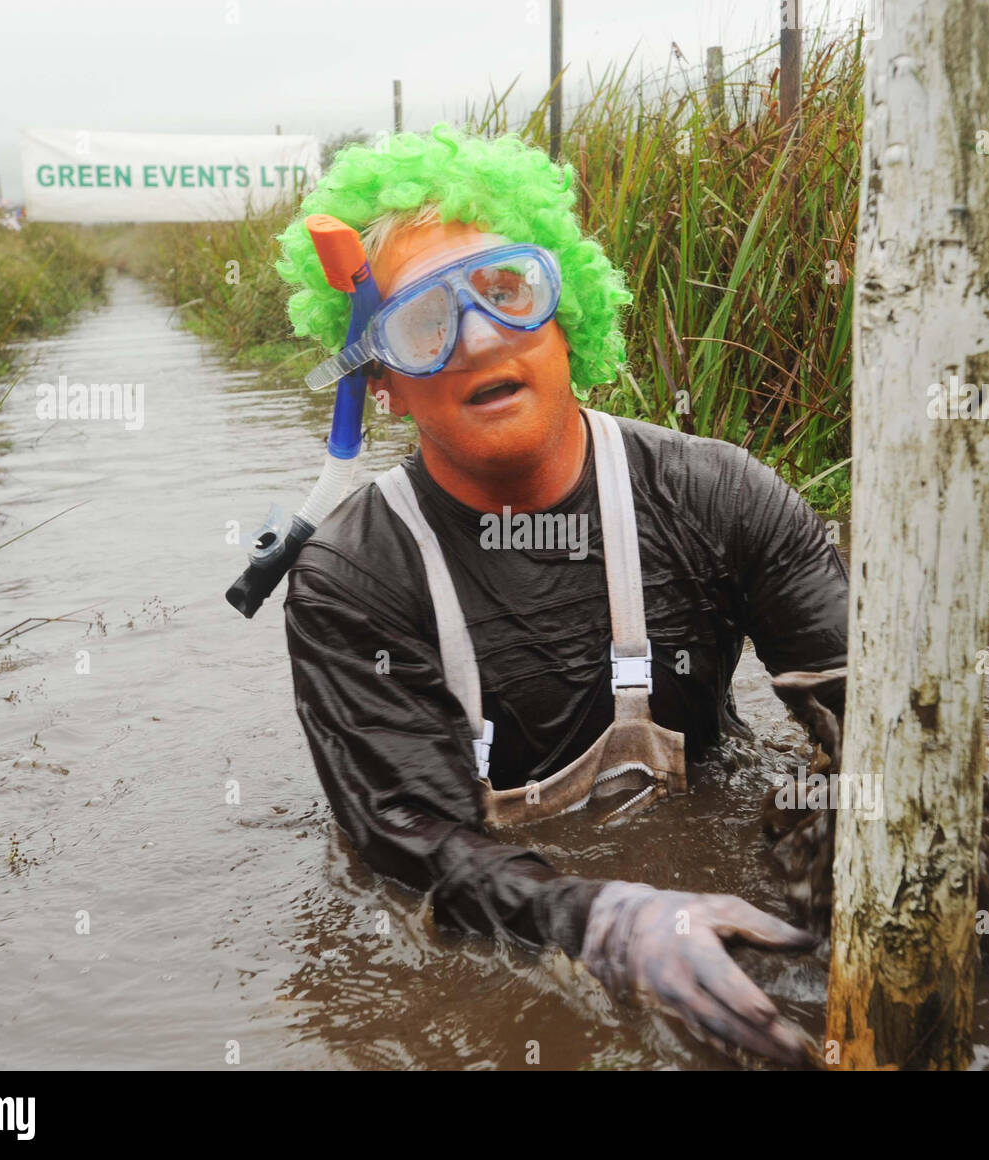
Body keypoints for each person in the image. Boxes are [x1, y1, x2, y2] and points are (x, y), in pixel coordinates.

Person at [277, 124, 850, 1067]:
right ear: (382, 383)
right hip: (514, 905)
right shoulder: (354, 577)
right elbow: (411, 840)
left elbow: (883, 728)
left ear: (564, 312)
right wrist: (605, 921)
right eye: (425, 324)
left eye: (509, 291)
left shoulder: (718, 494)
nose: (480, 335)